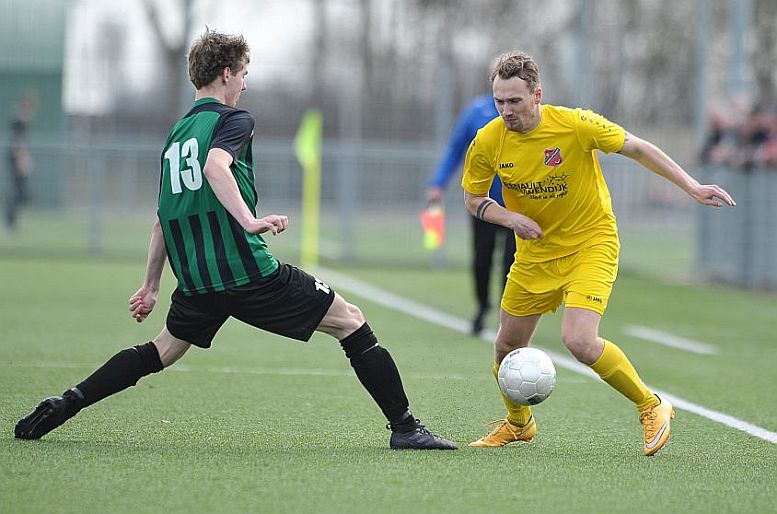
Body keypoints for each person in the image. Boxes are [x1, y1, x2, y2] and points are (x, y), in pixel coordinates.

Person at [14, 29, 456, 451]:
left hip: (197, 282)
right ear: (226, 73)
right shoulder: (234, 120)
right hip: (248, 273)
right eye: (244, 72)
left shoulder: (176, 134)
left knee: (161, 351)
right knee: (352, 322)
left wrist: (151, 285)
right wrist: (248, 221)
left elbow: (162, 216)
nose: (246, 83)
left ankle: (66, 403)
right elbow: (215, 167)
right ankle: (405, 428)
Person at [462, 51, 735, 456]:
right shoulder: (488, 139)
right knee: (505, 349)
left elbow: (639, 149)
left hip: (591, 244)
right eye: (499, 101)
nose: (506, 110)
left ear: (537, 95)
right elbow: (473, 198)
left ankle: (652, 405)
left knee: (579, 341)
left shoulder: (575, 124)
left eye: (515, 101)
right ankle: (519, 424)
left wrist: (692, 187)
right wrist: (509, 219)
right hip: (535, 256)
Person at [426, 93, 516, 335]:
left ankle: (507, 313)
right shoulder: (477, 111)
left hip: (518, 206)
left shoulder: (526, 112)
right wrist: (438, 183)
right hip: (483, 204)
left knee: (512, 261)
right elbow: (455, 149)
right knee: (482, 258)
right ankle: (482, 305)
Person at [5, 92, 38, 230]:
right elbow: (18, 143)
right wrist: (22, 160)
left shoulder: (22, 121)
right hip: (17, 159)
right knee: (21, 193)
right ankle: (9, 219)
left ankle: (11, 220)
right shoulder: (20, 121)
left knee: (22, 193)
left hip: (19, 158)